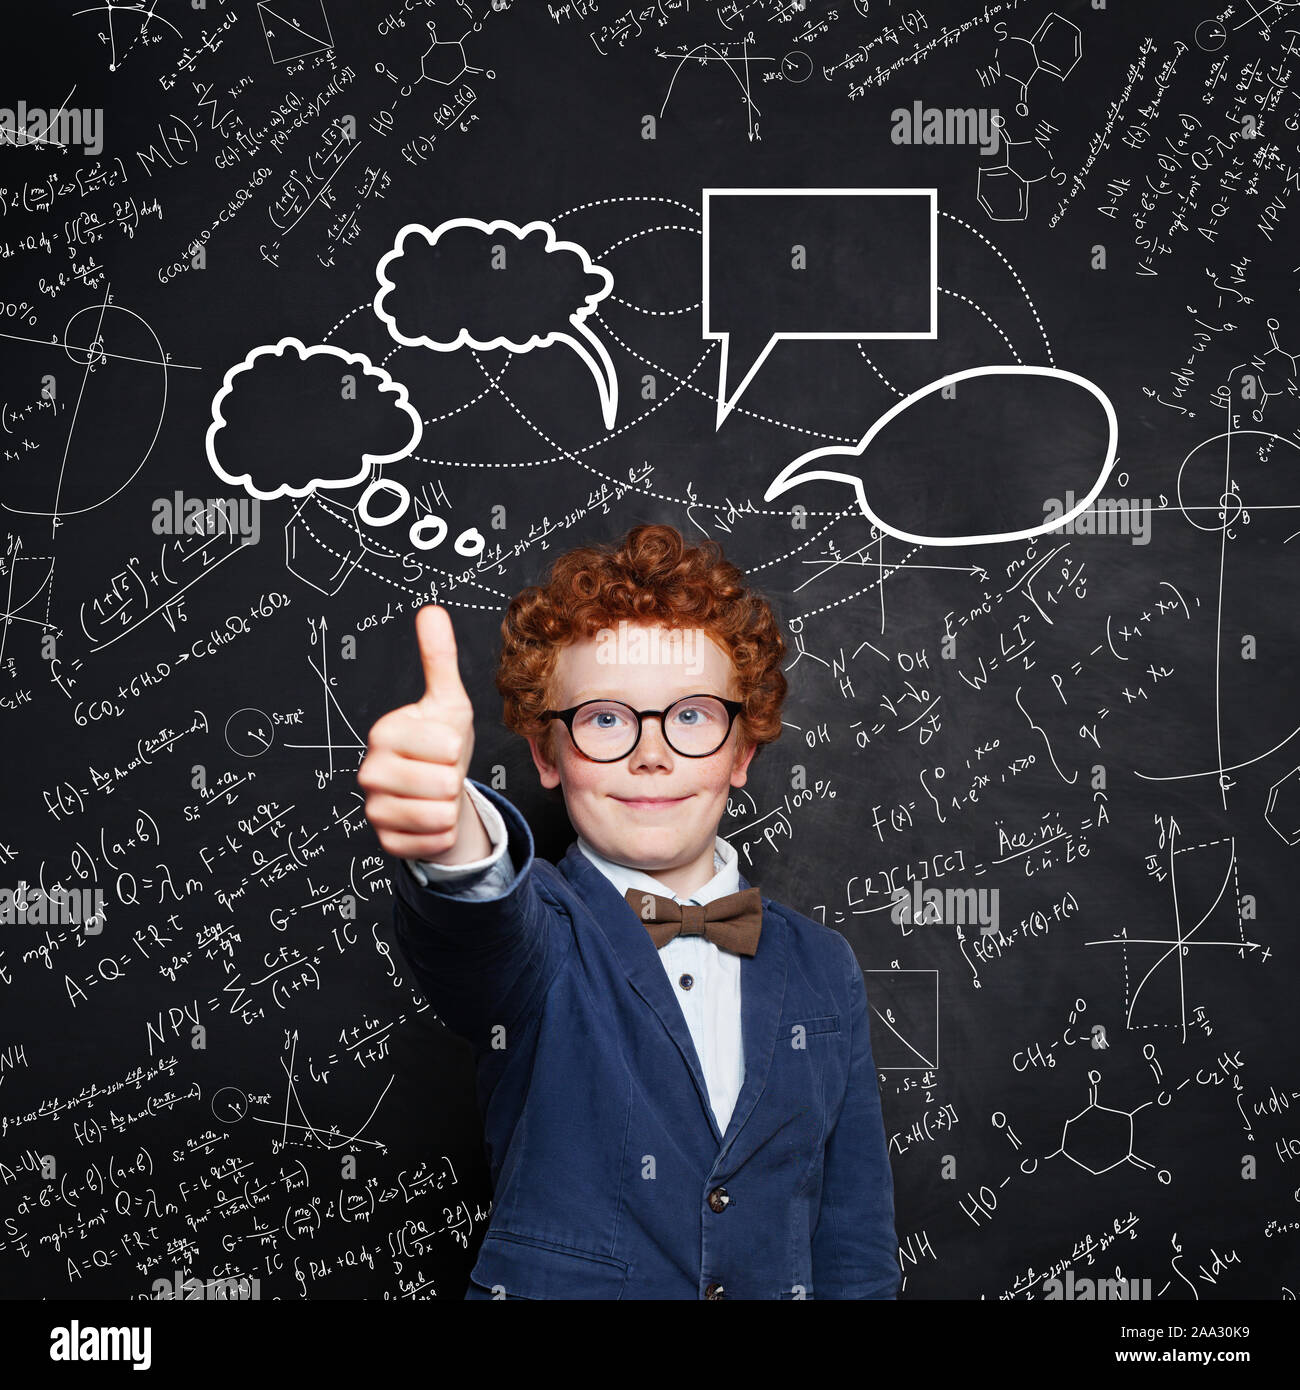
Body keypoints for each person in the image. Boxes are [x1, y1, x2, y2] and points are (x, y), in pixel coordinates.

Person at [359, 523, 899, 1299]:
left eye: (691, 716)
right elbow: (477, 921)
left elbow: (855, 1245)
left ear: (741, 751)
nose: (652, 753)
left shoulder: (823, 964)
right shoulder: (541, 930)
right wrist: (451, 835)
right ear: (549, 756)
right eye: (606, 718)